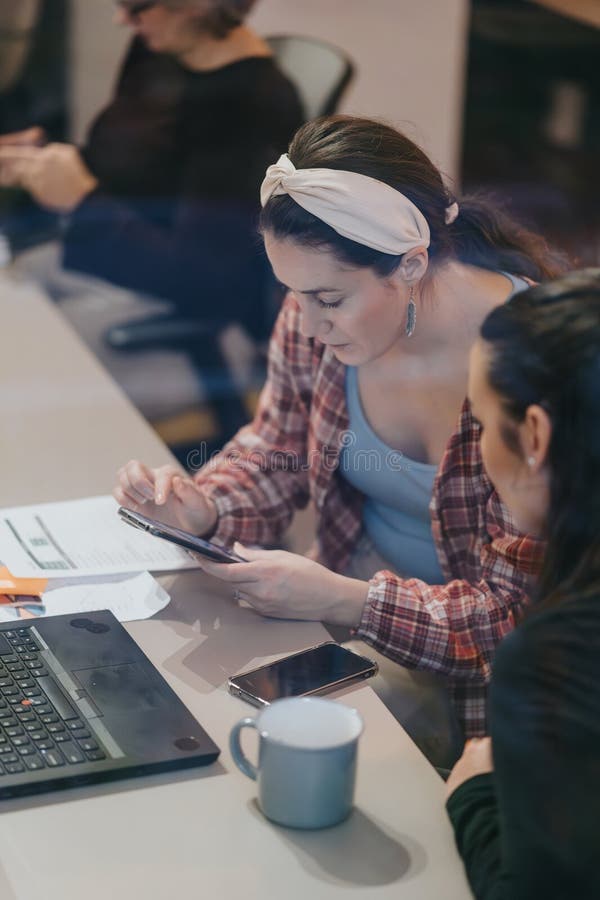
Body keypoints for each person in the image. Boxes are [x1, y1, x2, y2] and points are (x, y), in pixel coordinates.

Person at [114, 115, 566, 743]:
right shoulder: (317, 324)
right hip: (344, 621)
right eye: (291, 294)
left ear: (411, 264)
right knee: (196, 719)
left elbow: (516, 619)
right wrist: (205, 510)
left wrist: (347, 601)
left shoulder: (541, 372)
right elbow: (276, 452)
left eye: (328, 299)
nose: (305, 323)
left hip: (493, 684)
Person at [0, 0, 303, 334]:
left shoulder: (251, 105)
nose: (122, 19)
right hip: (106, 261)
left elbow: (207, 280)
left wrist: (82, 201)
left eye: (136, 6)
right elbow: (138, 161)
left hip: (178, 307)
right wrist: (42, 160)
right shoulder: (161, 48)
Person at [444, 269, 600, 898]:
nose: (477, 451)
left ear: (535, 434)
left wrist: (476, 798)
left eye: (480, 424)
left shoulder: (556, 657)